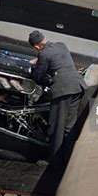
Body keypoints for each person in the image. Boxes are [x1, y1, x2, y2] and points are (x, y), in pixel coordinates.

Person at [28, 30, 87, 166]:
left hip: (63, 89)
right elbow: (58, 59)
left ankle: (53, 161)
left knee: (56, 126)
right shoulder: (61, 45)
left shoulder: (43, 53)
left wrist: (36, 66)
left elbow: (39, 77)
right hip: (77, 85)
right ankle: (69, 159)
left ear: (36, 46)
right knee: (69, 126)